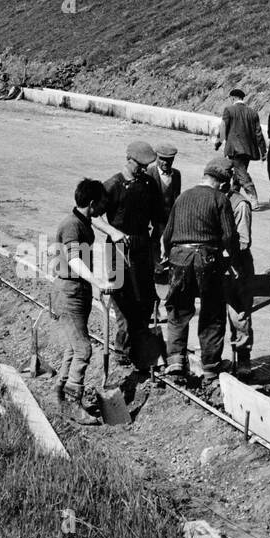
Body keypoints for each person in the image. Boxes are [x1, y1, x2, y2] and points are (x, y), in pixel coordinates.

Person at [161, 155, 240, 387]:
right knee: (212, 313)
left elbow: (167, 235)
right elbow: (229, 236)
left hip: (179, 257)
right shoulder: (220, 200)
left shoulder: (183, 196)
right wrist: (234, 260)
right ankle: (211, 369)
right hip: (207, 260)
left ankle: (175, 363)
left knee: (178, 309)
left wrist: (168, 255)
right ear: (224, 184)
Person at [101, 141, 168, 380]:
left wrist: (158, 243)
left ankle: (141, 350)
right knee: (122, 296)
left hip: (142, 246)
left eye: (146, 166)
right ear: (128, 159)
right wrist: (112, 232)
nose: (143, 169)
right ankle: (122, 349)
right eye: (140, 165)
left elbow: (159, 218)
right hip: (117, 248)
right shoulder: (112, 185)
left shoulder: (149, 184)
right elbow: (93, 216)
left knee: (144, 298)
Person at [51, 178, 109, 425]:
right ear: (92, 203)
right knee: (83, 349)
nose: (103, 208)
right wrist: (98, 282)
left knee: (73, 347)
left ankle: (61, 394)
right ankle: (73, 404)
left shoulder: (82, 222)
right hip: (69, 292)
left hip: (78, 290)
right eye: (101, 203)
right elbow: (74, 260)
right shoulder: (72, 226)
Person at [224, 180, 256, 375]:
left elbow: (243, 242)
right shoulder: (214, 198)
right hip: (217, 265)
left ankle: (243, 359)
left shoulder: (240, 204)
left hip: (238, 266)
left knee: (239, 314)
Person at [214, 88, 264, 205]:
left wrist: (218, 143)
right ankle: (232, 198)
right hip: (248, 150)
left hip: (234, 150)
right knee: (238, 173)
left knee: (241, 174)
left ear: (233, 98)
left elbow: (223, 128)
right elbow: (258, 133)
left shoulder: (229, 110)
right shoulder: (252, 112)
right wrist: (263, 151)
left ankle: (253, 199)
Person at [147, 144, 182, 281]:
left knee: (167, 242)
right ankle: (153, 269)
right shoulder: (149, 172)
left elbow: (176, 197)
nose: (165, 163)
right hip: (153, 218)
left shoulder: (177, 174)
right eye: (162, 159)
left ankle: (162, 267)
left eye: (169, 160)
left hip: (168, 217)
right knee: (152, 243)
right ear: (156, 158)